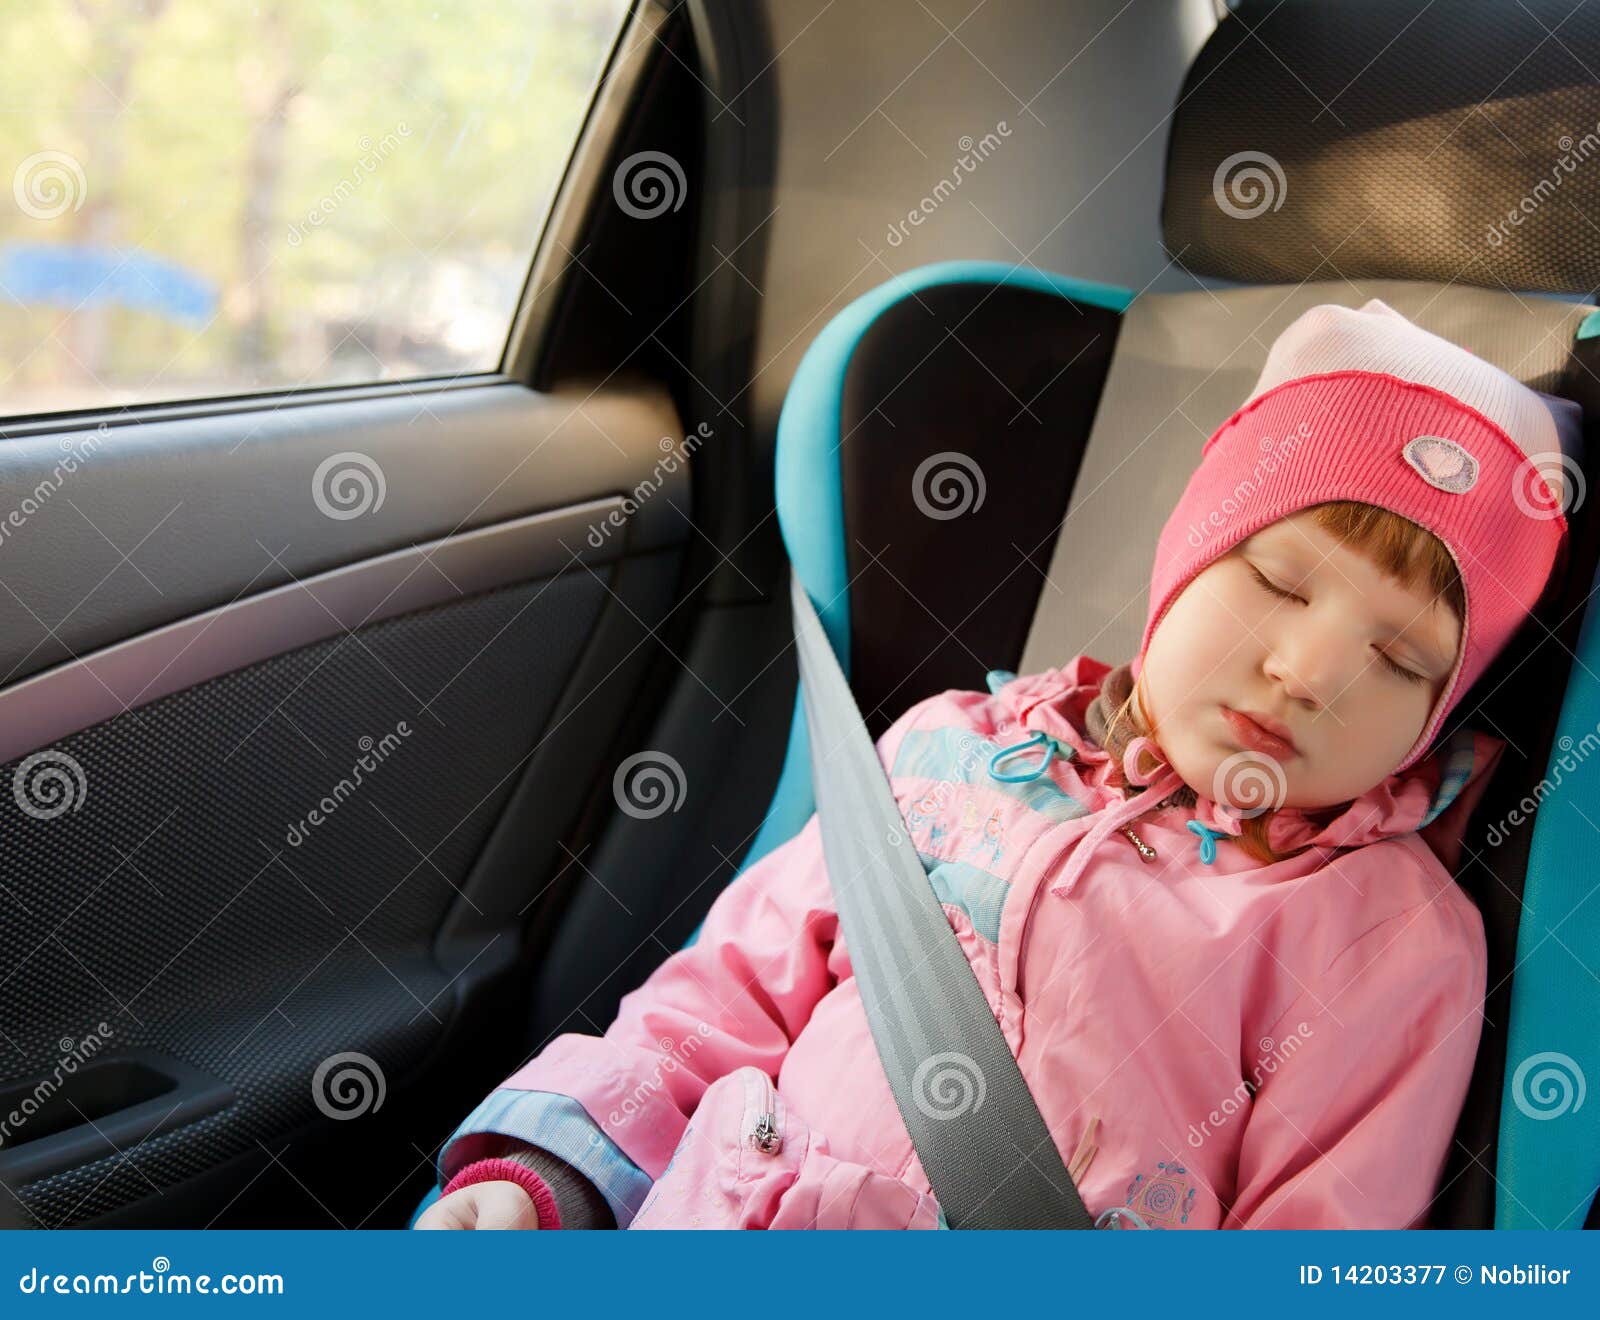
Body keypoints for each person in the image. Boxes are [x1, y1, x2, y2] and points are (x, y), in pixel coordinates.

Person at [415, 298, 1571, 1230]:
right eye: (1276, 580)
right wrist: (556, 1177)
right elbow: (729, 999)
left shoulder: (1383, 941)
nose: (1313, 670)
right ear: (1183, 562)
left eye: (1404, 659)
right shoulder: (947, 752)